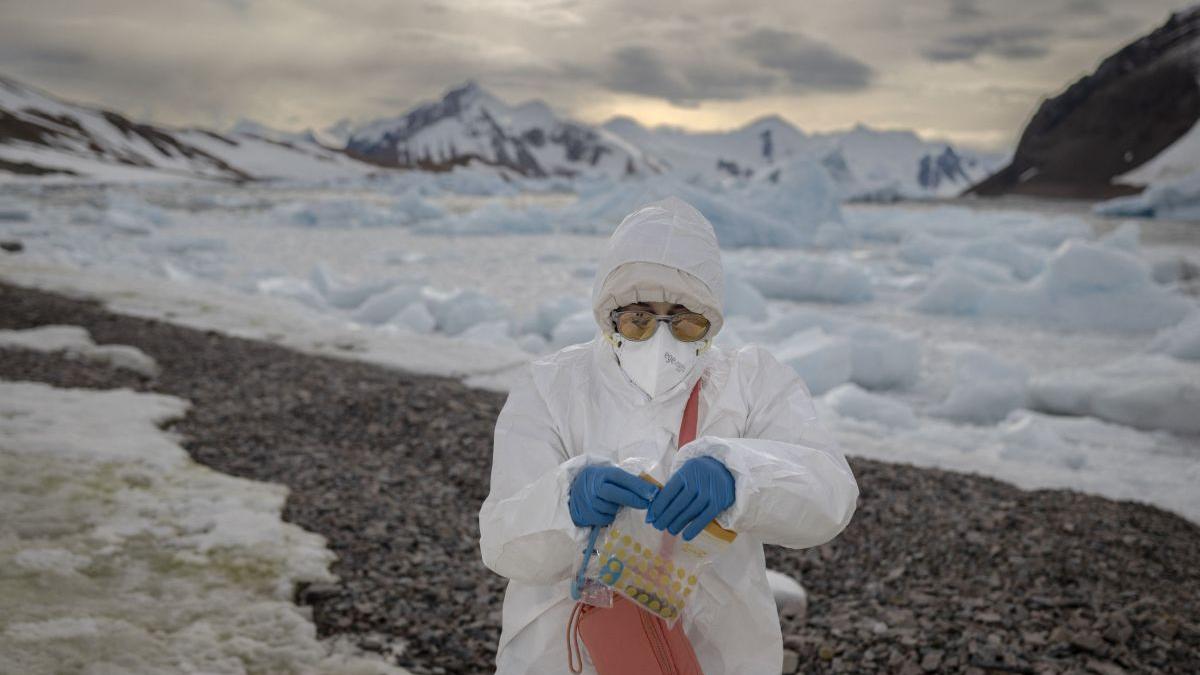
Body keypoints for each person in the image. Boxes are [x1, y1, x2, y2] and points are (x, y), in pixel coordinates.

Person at [478, 196, 859, 674]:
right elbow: (500, 541)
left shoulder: (752, 382)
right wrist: (564, 504)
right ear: (608, 315)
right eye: (639, 318)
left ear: (711, 321)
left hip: (714, 652)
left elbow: (831, 496)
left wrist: (741, 476)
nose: (661, 338)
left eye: (684, 320)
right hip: (564, 652)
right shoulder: (553, 385)